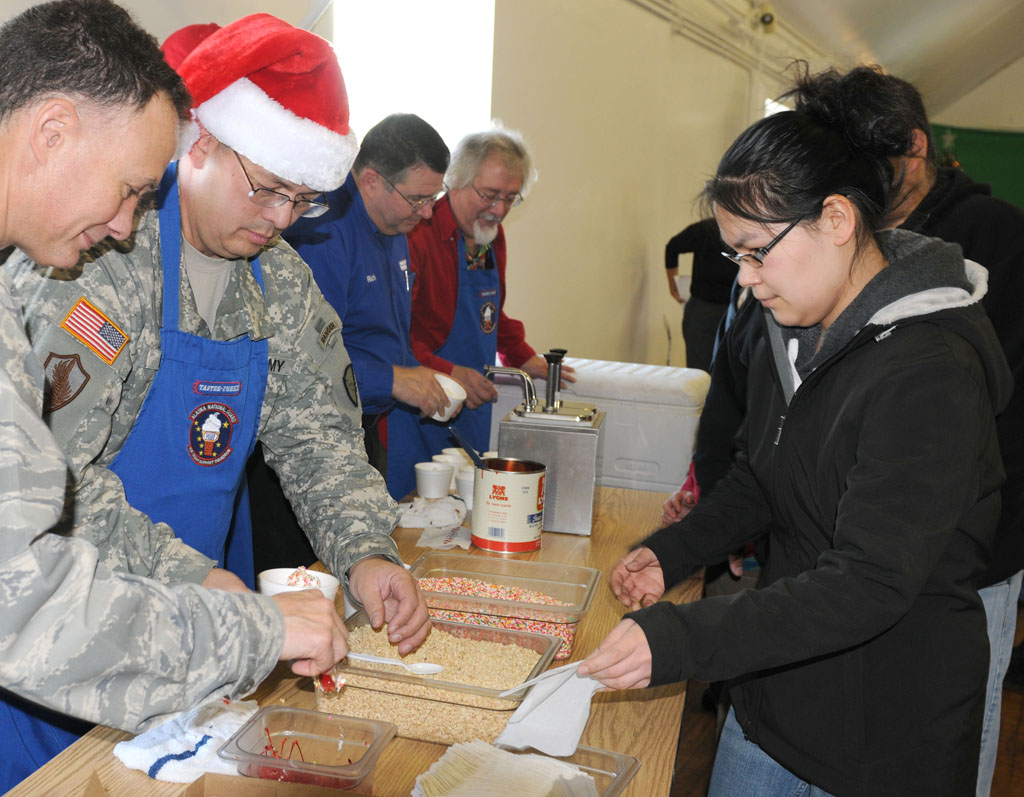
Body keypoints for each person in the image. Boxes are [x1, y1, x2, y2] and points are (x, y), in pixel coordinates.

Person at [0, 3, 349, 796]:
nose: (127, 223)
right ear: (54, 129)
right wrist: (254, 631)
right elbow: (8, 603)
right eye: (132, 188)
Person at [0, 14, 432, 796]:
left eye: (301, 200)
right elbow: (48, 488)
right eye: (266, 189)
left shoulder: (281, 283)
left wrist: (365, 551)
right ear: (200, 144)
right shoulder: (97, 255)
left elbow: (318, 440)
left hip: (195, 648)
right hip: (56, 642)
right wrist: (195, 580)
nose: (279, 219)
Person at [581, 87, 1013, 796]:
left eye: (756, 253)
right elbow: (763, 473)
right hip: (776, 700)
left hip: (884, 734)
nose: (745, 280)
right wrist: (673, 551)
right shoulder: (800, 329)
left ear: (836, 218)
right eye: (735, 256)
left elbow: (869, 582)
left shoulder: (929, 371)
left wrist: (680, 639)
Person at [245, 113, 451, 571]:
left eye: (433, 198)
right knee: (306, 575)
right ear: (372, 180)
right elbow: (302, 363)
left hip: (359, 429)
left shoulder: (396, 229)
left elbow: (384, 334)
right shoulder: (325, 231)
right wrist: (391, 378)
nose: (428, 213)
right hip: (300, 448)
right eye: (417, 199)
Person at [386, 126, 574, 499]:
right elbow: (395, 335)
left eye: (510, 198)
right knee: (412, 506)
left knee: (464, 504)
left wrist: (522, 355)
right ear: (455, 180)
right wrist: (449, 372)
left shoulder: (489, 236)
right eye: (489, 195)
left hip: (472, 401)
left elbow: (490, 311)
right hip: (415, 405)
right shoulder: (417, 235)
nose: (500, 209)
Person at [663, 217, 738, 371]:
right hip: (704, 313)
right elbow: (673, 247)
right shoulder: (707, 229)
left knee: (732, 375)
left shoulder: (754, 230)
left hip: (735, 311)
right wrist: (673, 284)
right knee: (700, 375)